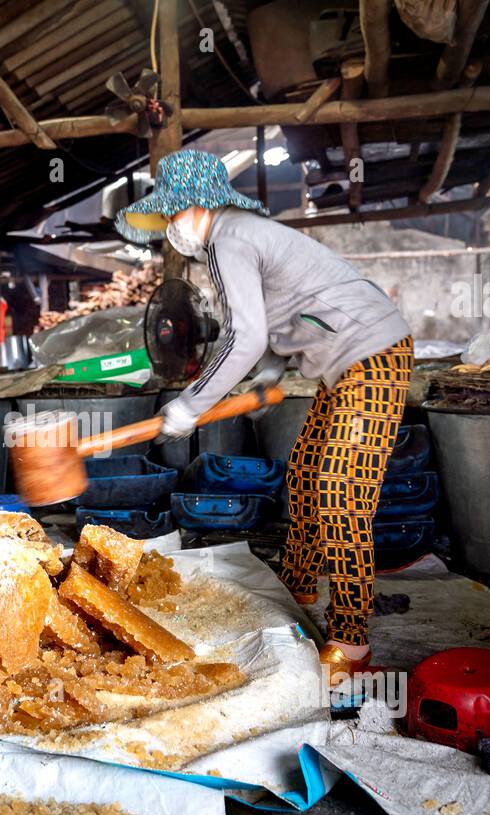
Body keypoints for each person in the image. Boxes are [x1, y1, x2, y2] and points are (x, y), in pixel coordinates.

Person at [116, 150, 414, 685]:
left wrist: (189, 406)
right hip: (346, 364)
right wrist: (268, 378)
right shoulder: (236, 238)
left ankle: (351, 638)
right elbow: (277, 319)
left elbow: (245, 335)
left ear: (195, 207)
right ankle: (297, 586)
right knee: (303, 476)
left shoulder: (231, 238)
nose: (169, 229)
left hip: (371, 353)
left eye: (171, 216)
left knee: (338, 488)